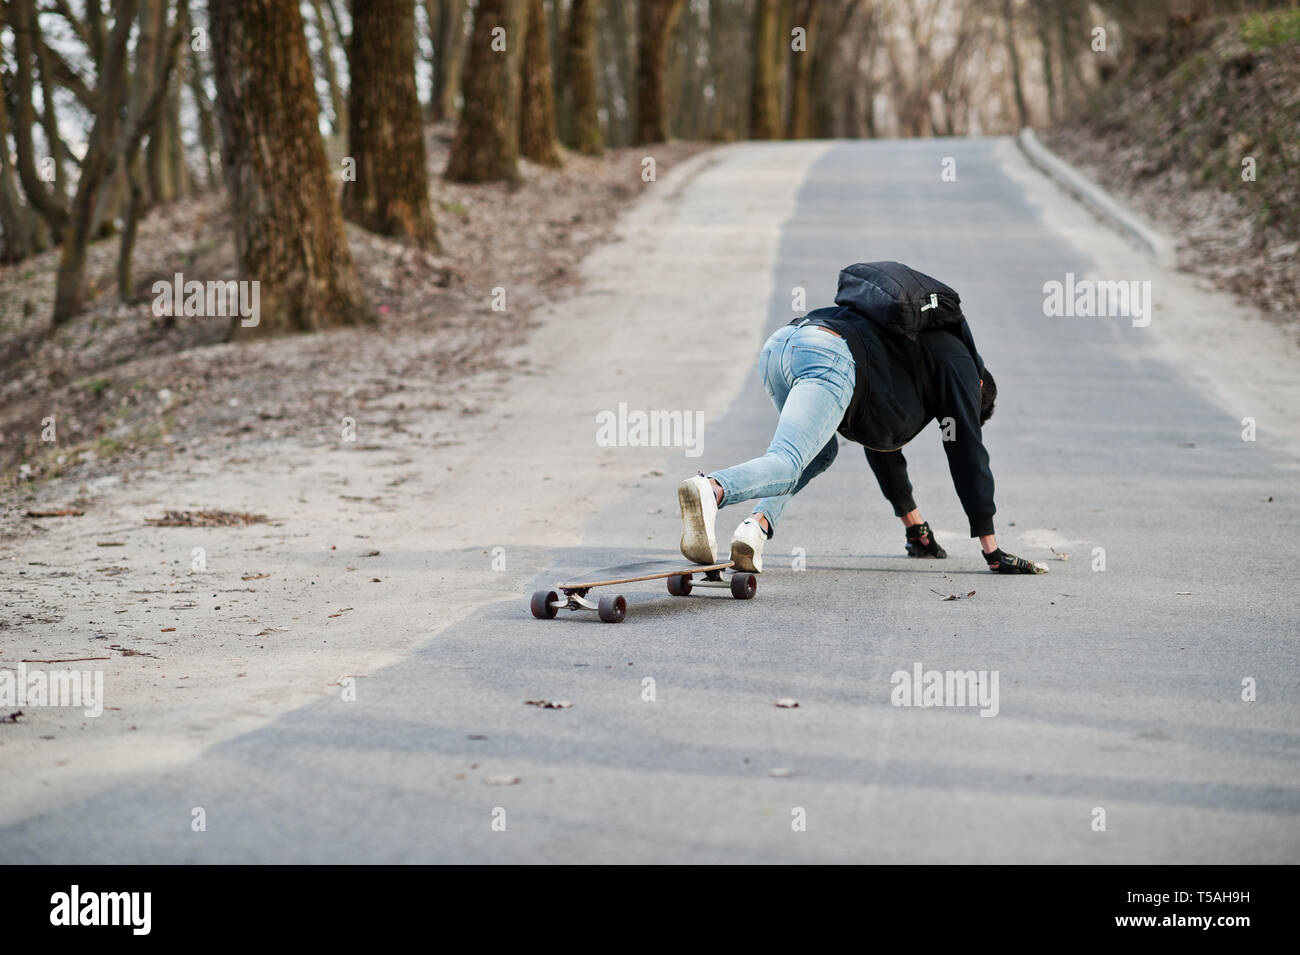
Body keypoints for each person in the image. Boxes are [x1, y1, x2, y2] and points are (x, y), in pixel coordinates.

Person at [677, 261, 1047, 576]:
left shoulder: (919, 345)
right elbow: (967, 451)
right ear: (979, 387)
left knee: (818, 453)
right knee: (788, 462)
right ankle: (712, 489)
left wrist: (915, 528)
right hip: (828, 357)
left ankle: (755, 528)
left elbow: (882, 444)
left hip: (785, 343)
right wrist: (992, 549)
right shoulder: (961, 366)